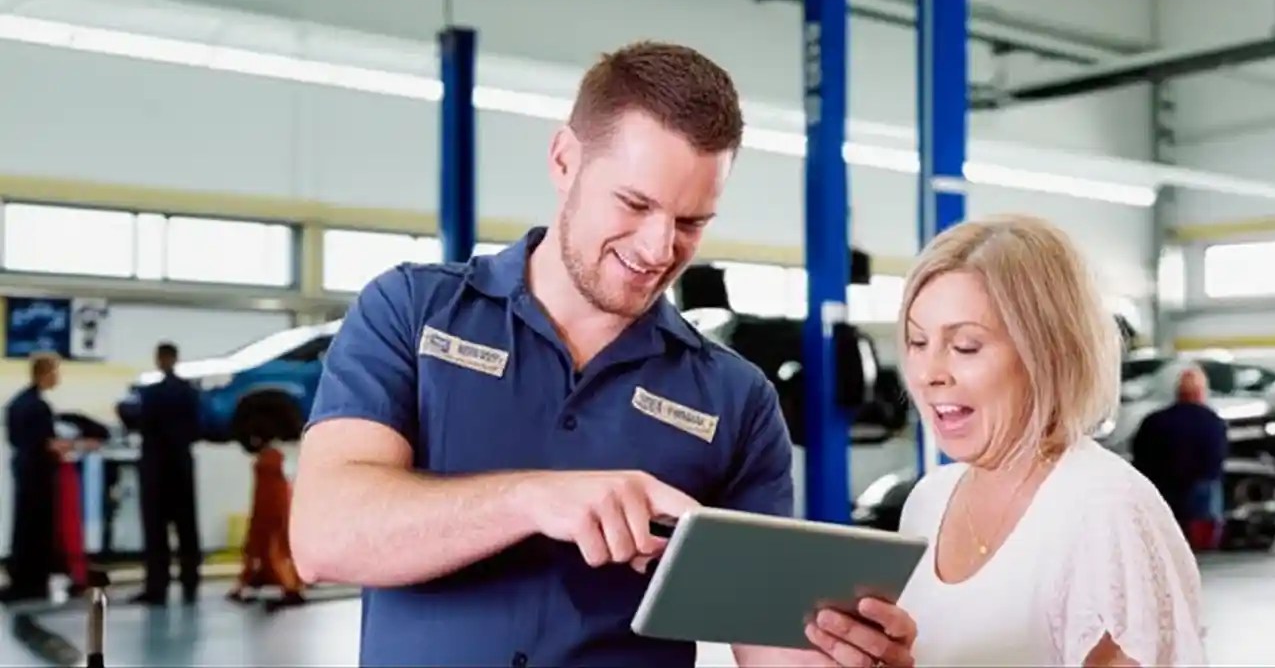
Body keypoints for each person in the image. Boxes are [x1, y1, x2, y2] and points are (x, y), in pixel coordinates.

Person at [290, 40, 916, 667]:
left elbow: (768, 646)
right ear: (565, 160)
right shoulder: (411, 311)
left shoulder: (736, 399)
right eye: (635, 204)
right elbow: (324, 538)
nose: (658, 248)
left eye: (691, 222)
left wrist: (848, 651)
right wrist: (534, 499)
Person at [861, 214, 1208, 666]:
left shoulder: (1106, 511)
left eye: (965, 345)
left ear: (1047, 353)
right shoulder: (928, 501)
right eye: (916, 342)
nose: (928, 374)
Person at [129, 341, 203, 605]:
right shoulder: (190, 393)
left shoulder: (149, 394)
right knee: (187, 525)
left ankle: (157, 586)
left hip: (156, 467)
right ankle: (190, 580)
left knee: (156, 529)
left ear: (160, 359)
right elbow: (198, 427)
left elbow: (136, 420)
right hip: (182, 464)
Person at [1131, 365, 1229, 551]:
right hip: (1200, 494)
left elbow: (1141, 457)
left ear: (1178, 392)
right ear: (1201, 392)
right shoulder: (1213, 421)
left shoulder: (1155, 420)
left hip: (1164, 491)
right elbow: (1216, 460)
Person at [2, 353, 71, 602]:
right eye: (55, 372)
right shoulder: (40, 406)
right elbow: (49, 443)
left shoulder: (17, 402)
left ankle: (20, 578)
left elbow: (13, 439)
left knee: (23, 525)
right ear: (44, 373)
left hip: (23, 469)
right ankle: (34, 581)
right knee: (40, 527)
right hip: (39, 474)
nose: (57, 377)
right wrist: (72, 445)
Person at [226, 421, 307, 609]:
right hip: (275, 505)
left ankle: (287, 585)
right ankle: (286, 582)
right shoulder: (278, 455)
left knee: (269, 544)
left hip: (268, 506)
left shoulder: (268, 458)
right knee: (275, 544)